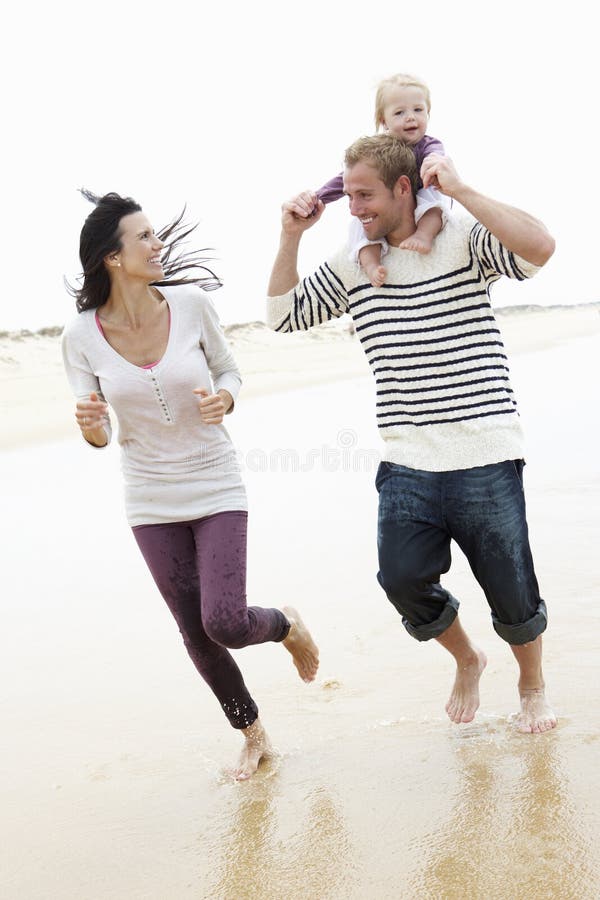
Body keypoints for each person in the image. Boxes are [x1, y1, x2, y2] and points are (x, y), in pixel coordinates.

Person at [266, 134, 557, 734]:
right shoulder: (355, 265)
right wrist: (292, 234)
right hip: (409, 457)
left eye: (365, 195)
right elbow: (281, 316)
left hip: (486, 448)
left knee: (512, 587)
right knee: (401, 579)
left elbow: (540, 248)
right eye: (347, 196)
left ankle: (531, 683)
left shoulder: (461, 240)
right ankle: (467, 659)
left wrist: (464, 191)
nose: (354, 208)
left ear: (405, 188)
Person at [62, 191, 319, 780]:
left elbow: (229, 369)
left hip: (214, 482)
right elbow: (97, 432)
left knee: (225, 621)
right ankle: (252, 734)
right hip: (149, 497)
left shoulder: (191, 305)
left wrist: (224, 397)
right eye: (144, 237)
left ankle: (283, 624)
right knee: (194, 632)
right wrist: (93, 428)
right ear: (112, 257)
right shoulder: (79, 336)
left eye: (157, 233)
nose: (158, 245)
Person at [316, 73, 450, 287]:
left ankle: (424, 235)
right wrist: (319, 196)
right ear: (383, 121)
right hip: (389, 210)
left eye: (418, 109)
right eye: (399, 112)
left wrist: (434, 162)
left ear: (428, 113)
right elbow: (347, 179)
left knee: (433, 198)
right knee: (360, 223)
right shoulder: (379, 154)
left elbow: (437, 155)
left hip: (422, 196)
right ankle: (371, 264)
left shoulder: (428, 145)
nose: (410, 117)